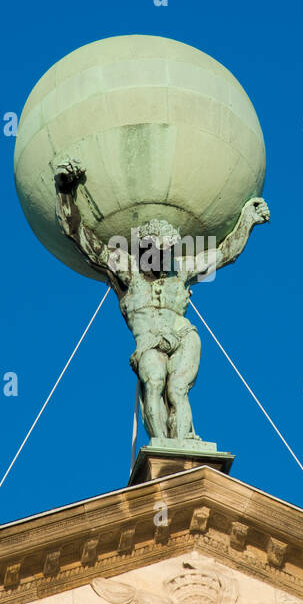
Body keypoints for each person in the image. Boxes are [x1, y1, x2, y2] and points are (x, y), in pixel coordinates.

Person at [53, 156, 269, 444]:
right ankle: (162, 446)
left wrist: (247, 222)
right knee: (153, 382)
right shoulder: (127, 272)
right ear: (144, 249)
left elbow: (226, 253)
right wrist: (64, 191)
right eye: (157, 250)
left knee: (178, 389)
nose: (162, 258)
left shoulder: (181, 271)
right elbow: (78, 236)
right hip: (149, 341)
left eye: (167, 251)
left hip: (183, 334)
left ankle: (184, 448)